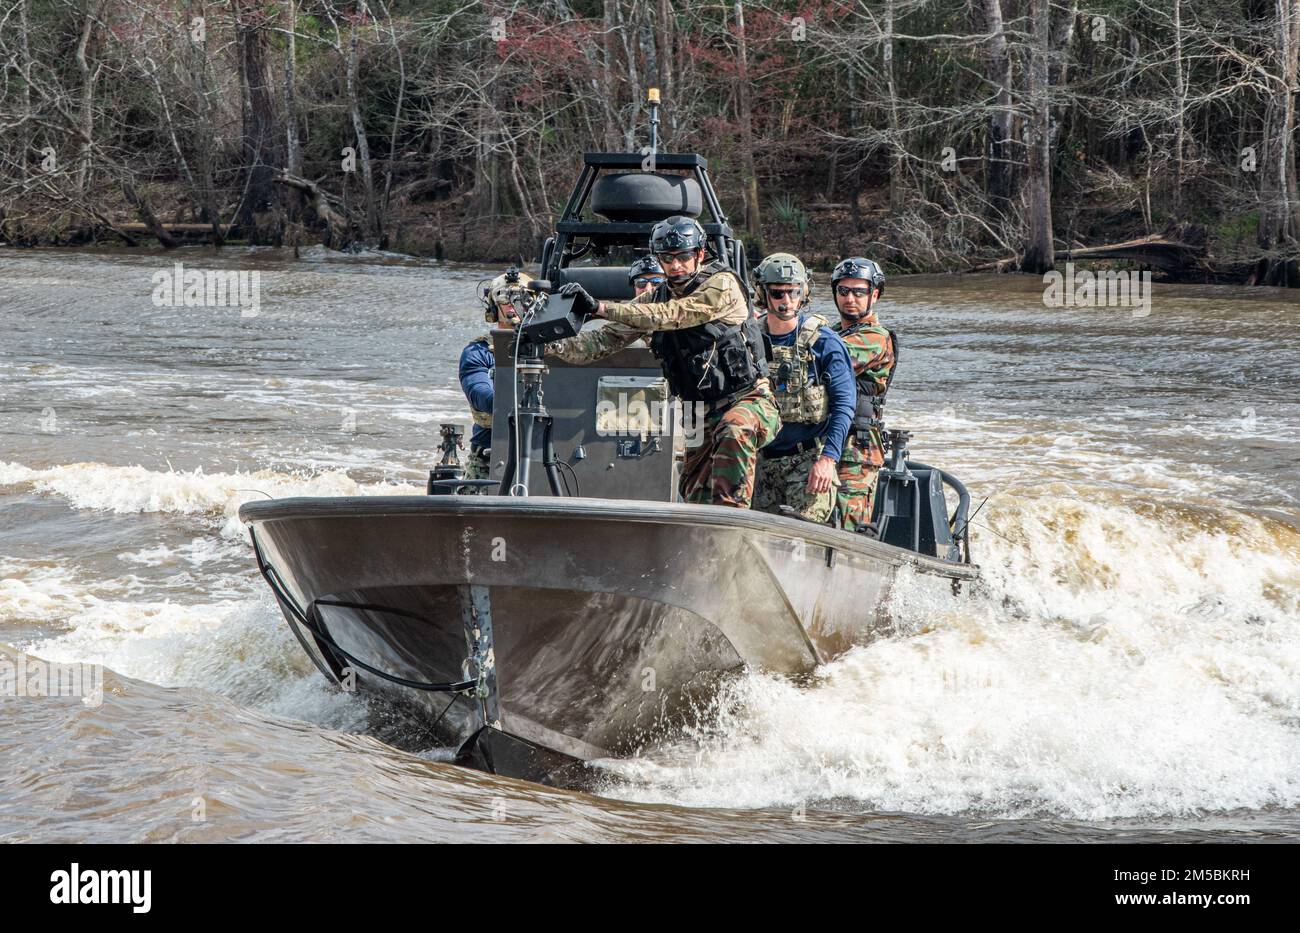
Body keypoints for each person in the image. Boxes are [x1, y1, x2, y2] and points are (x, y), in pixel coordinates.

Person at [550, 216, 779, 509]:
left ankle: (733, 522)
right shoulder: (653, 299)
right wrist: (547, 341)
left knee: (735, 430)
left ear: (699, 254)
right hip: (698, 411)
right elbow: (597, 343)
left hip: (748, 399)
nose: (675, 265)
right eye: (667, 259)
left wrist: (600, 307)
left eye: (683, 257)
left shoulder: (722, 285)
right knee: (694, 495)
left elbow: (676, 314)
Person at [750, 253, 855, 523]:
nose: (786, 301)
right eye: (777, 294)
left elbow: (844, 407)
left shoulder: (824, 342)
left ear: (803, 293)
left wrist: (828, 460)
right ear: (763, 294)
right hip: (761, 461)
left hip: (809, 462)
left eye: (793, 293)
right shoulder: (748, 339)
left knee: (801, 539)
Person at [829, 257, 897, 531]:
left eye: (859, 292)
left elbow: (832, 359)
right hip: (824, 439)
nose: (850, 299)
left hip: (856, 450)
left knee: (848, 524)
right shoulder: (828, 333)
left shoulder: (875, 338)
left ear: (874, 294)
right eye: (843, 291)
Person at [458, 268, 531, 480]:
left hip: (547, 449)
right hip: (489, 452)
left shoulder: (552, 348)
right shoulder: (478, 352)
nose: (513, 307)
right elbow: (481, 395)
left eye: (521, 300)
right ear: (494, 306)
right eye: (505, 300)